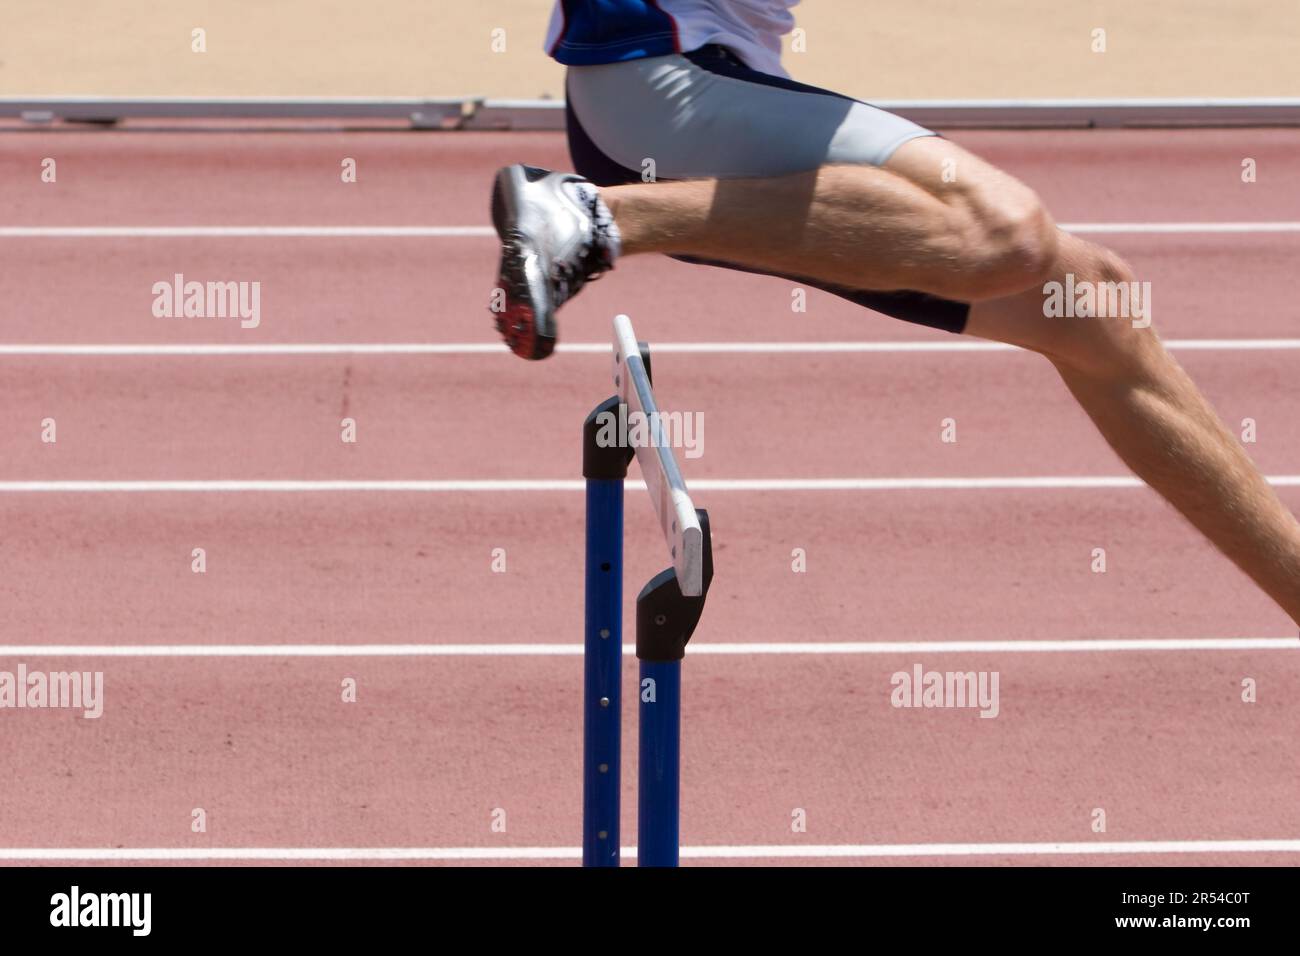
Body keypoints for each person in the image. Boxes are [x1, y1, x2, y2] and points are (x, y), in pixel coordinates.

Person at [488, 0, 1300, 623]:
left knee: (1092, 308)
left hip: (708, 79)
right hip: (657, 83)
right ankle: (598, 219)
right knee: (1000, 228)